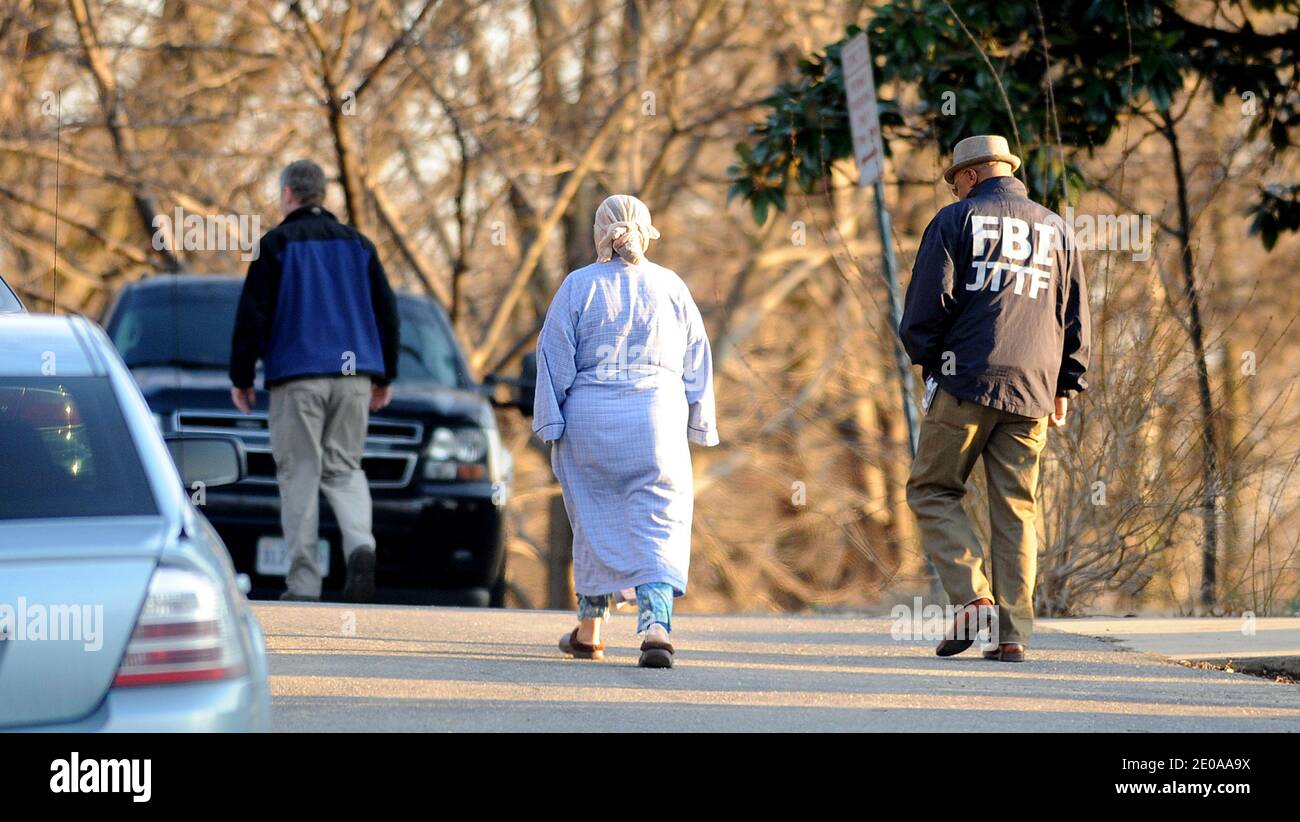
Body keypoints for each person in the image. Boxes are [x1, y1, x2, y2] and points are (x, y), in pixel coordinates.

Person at [899, 135, 1090, 663]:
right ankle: (1013, 636)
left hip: (966, 380)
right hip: (1033, 387)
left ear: (974, 175)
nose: (955, 188)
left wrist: (930, 362)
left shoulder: (955, 221)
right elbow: (1075, 315)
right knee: (1016, 509)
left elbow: (925, 307)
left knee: (933, 489)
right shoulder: (1056, 228)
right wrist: (1065, 384)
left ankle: (971, 597)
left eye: (956, 179)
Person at [533, 194, 719, 668]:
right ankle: (656, 626)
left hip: (591, 420)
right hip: (656, 420)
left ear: (600, 234)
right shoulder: (671, 286)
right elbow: (698, 358)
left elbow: (553, 357)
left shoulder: (577, 287)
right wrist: (701, 423)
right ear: (647, 231)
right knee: (660, 521)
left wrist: (551, 422)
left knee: (594, 522)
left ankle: (591, 630)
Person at [230, 159, 400, 604]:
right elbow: (387, 312)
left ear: (288, 194)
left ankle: (304, 585)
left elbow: (253, 315)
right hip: (354, 378)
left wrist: (242, 377)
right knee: (344, 468)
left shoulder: (276, 245)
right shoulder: (359, 245)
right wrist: (384, 375)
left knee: (300, 474)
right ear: (322, 195)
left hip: (297, 377)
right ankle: (360, 544)